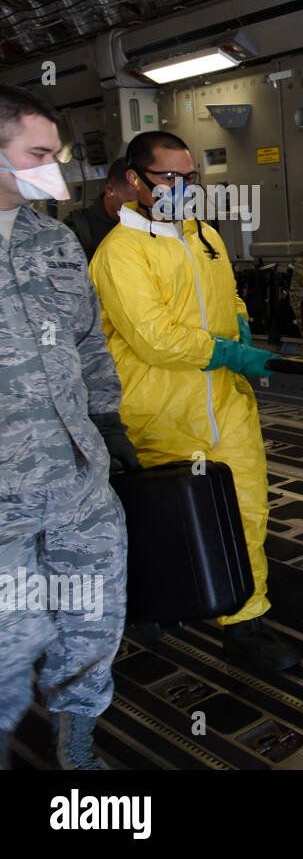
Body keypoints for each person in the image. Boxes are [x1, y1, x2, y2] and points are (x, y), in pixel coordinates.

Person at [88, 130, 298, 673]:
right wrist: (228, 353)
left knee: (248, 509)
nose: (182, 187)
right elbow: (154, 338)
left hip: (225, 404)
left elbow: (226, 294)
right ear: (135, 179)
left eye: (190, 177)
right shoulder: (121, 253)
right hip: (160, 410)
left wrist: (244, 326)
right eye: (168, 178)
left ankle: (246, 626)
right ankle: (157, 609)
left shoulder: (205, 234)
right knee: (166, 519)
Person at [0, 85, 133, 769]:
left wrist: (109, 424)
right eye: (38, 153)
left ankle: (76, 743)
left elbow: (87, 343)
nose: (53, 167)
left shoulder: (53, 239)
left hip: (75, 476)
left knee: (94, 613)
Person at [62, 158, 133, 261]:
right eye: (131, 203)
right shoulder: (79, 230)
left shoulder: (151, 224)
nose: (139, 210)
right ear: (110, 191)